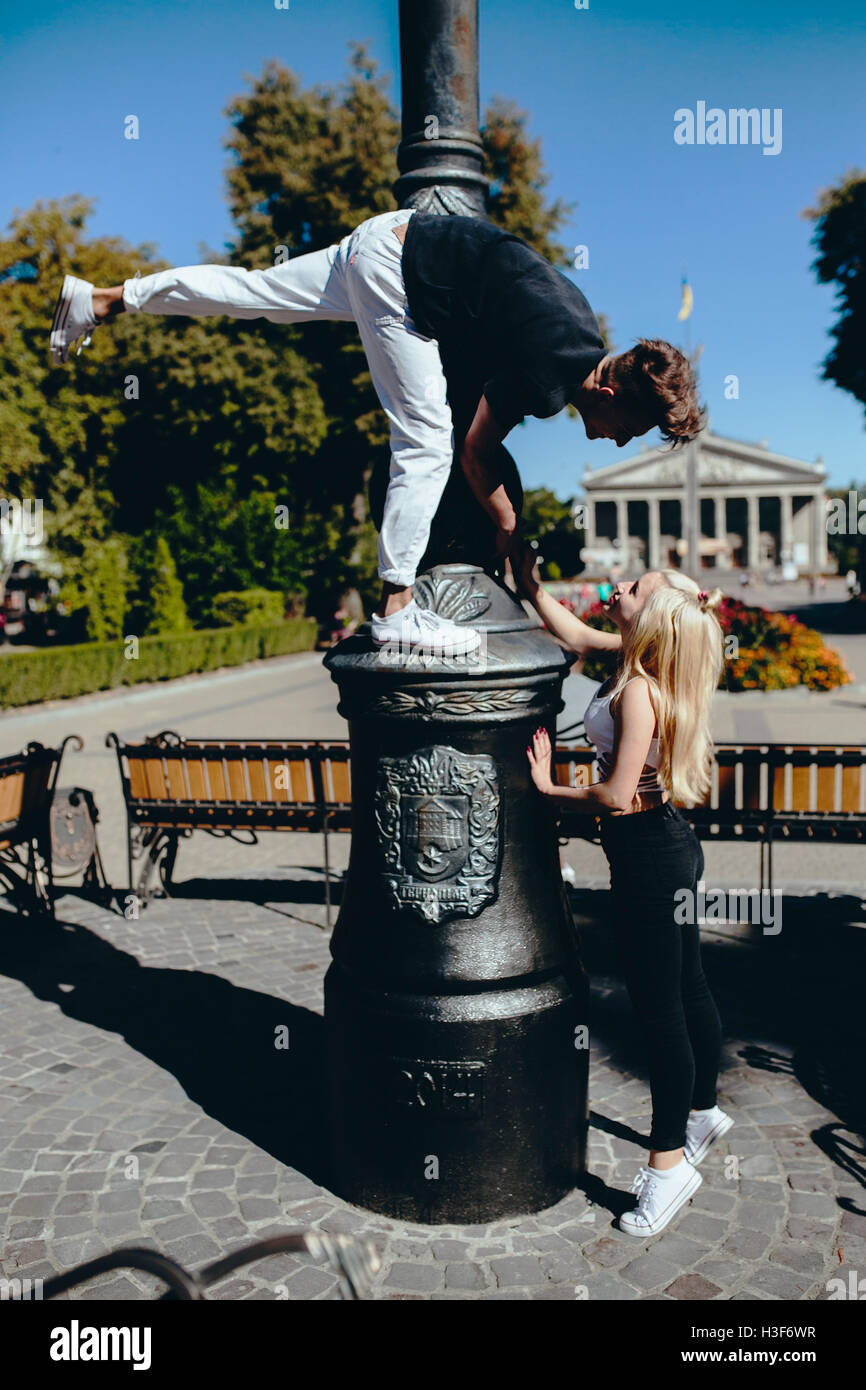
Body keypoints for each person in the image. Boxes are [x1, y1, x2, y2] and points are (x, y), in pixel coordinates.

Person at [50, 210, 702, 656]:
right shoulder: (548, 371)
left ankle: (106, 299)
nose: (620, 441)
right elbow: (474, 452)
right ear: (610, 392)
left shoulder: (576, 331)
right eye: (631, 428)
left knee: (256, 294)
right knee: (424, 439)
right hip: (398, 276)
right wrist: (510, 535)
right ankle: (396, 612)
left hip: (385, 239)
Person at [517, 548, 732, 1237]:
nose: (619, 587)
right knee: (688, 987)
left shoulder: (641, 687)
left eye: (633, 587)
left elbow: (614, 794)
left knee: (659, 1014)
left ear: (655, 614)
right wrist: (529, 583)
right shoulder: (641, 654)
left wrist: (550, 790)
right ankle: (703, 1111)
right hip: (665, 850)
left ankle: (667, 1170)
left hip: (648, 861)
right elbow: (574, 635)